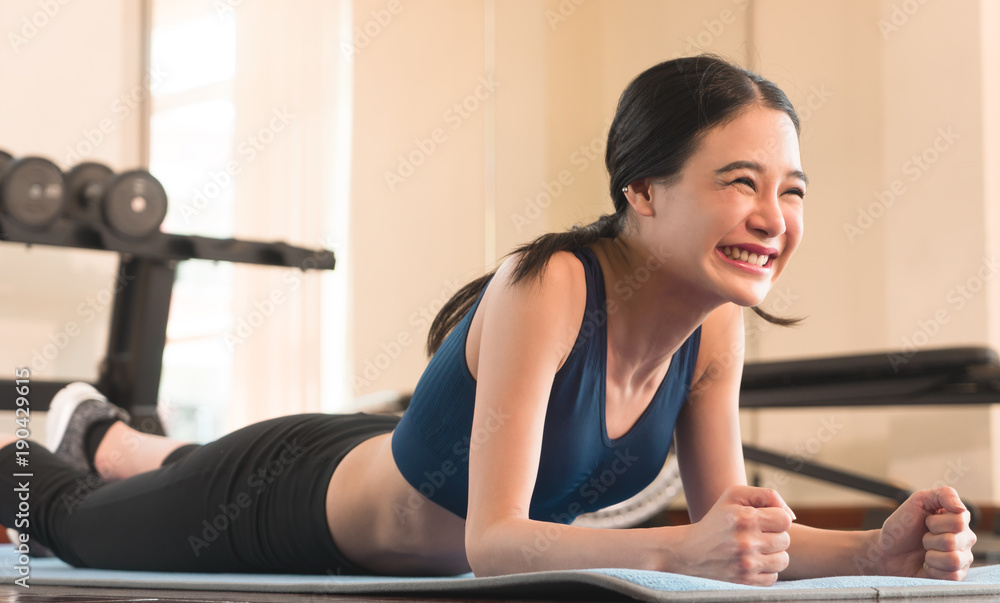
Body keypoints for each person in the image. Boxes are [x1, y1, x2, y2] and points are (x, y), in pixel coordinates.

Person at [0, 55, 976, 586]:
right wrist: (678, 548)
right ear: (642, 190)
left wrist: (872, 549)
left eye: (791, 189)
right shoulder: (549, 284)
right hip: (287, 505)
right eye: (740, 182)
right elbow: (495, 543)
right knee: (70, 521)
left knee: (168, 470)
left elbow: (737, 532)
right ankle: (62, 446)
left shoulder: (716, 330)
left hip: (368, 454)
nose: (773, 216)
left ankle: (114, 436)